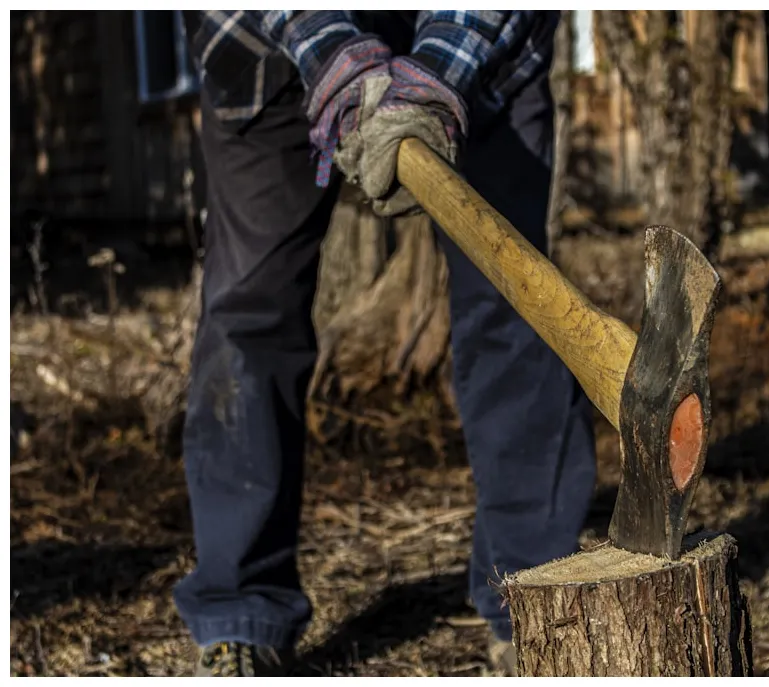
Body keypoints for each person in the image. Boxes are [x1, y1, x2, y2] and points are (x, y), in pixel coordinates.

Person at [176, 11, 596, 677]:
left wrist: (433, 77)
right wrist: (340, 60)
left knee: (515, 302)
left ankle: (534, 597)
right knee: (247, 312)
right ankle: (240, 610)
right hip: (262, 48)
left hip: (483, 46)